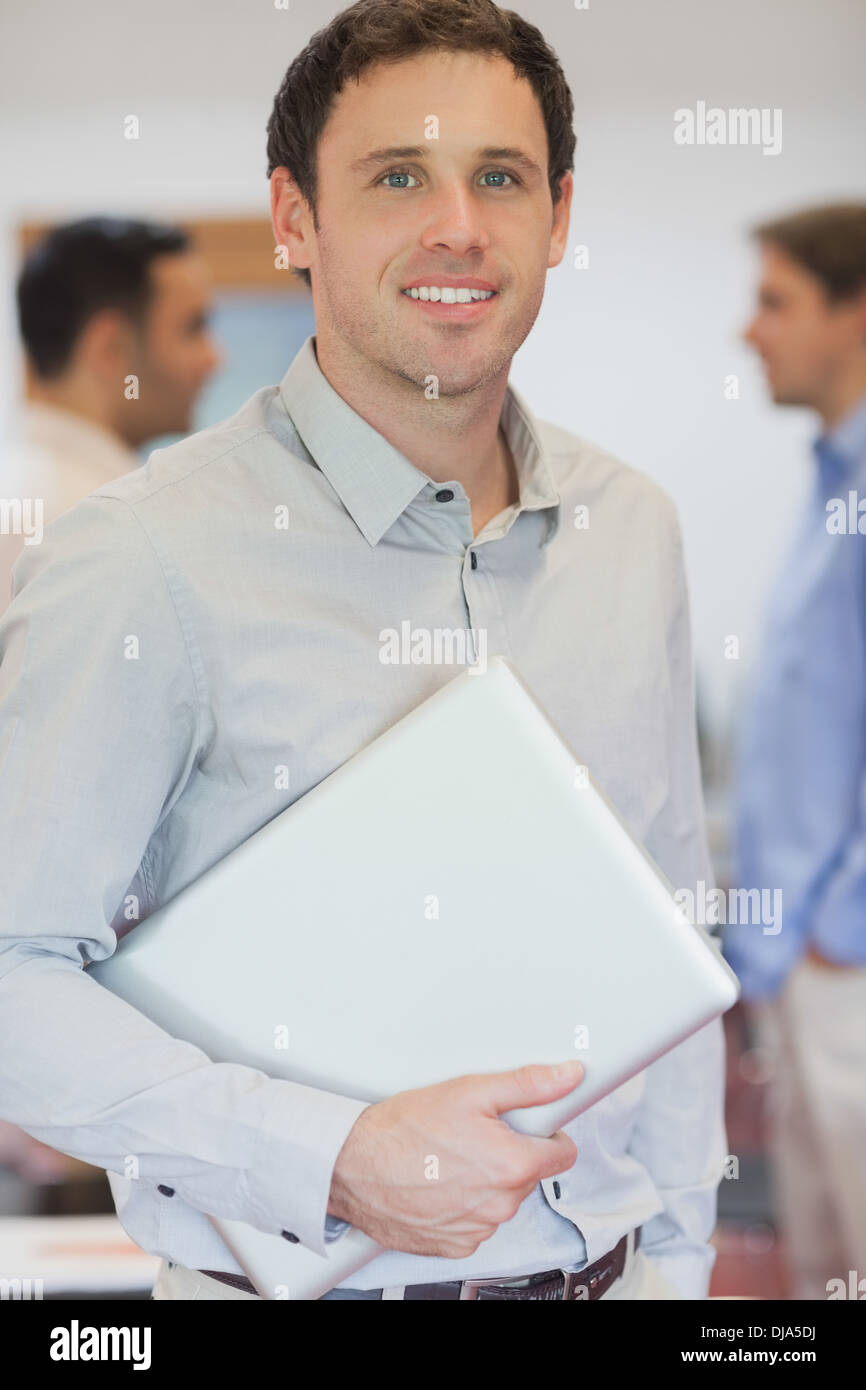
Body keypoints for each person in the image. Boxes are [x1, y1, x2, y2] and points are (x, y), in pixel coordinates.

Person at [0, 0, 725, 1302]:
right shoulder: (141, 558)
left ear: (557, 217)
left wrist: (677, 1260)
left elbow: (667, 931)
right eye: (397, 176)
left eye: (497, 177)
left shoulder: (633, 534)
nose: (456, 225)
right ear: (293, 215)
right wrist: (329, 1155)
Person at [726, 202, 866, 1299]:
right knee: (823, 1276)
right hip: (805, 977)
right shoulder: (830, 485)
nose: (747, 331)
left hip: (847, 967)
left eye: (774, 302)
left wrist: (836, 929)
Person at [0, 217, 221, 616]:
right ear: (110, 347)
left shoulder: (20, 489)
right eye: (193, 329)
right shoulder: (100, 520)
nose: (214, 359)